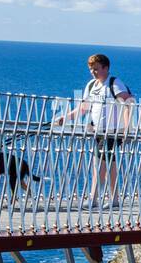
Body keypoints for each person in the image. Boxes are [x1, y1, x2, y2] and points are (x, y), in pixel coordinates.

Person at [54, 53, 135, 209]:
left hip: (112, 132)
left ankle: (94, 198)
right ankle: (114, 199)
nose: (93, 72)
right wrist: (66, 118)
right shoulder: (92, 85)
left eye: (96, 69)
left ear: (106, 68)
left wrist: (126, 129)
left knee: (99, 164)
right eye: (91, 69)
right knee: (108, 166)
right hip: (98, 132)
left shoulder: (114, 83)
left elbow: (128, 103)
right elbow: (84, 108)